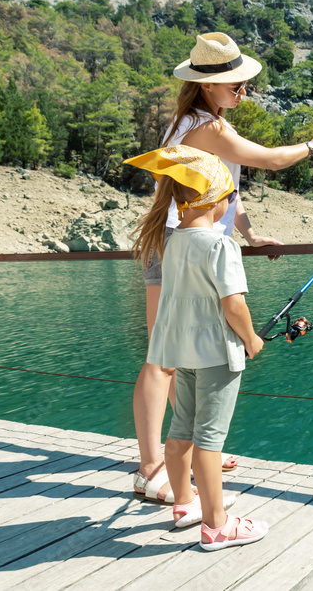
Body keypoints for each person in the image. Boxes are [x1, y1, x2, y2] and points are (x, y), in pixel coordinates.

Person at [132, 32, 313, 503]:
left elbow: (228, 189)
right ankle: (150, 468)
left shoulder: (197, 122)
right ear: (207, 86)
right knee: (163, 359)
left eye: (245, 84)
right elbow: (269, 160)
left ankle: (193, 445)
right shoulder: (208, 128)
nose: (243, 92)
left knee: (182, 355)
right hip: (178, 245)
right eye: (235, 86)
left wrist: (248, 234)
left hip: (188, 243)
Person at [126, 144, 268, 549]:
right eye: (230, 197)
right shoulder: (221, 245)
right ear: (215, 200)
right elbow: (233, 305)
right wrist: (252, 339)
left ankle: (185, 503)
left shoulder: (174, 242)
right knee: (210, 440)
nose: (229, 205)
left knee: (181, 431)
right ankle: (216, 525)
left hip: (181, 353)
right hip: (216, 356)